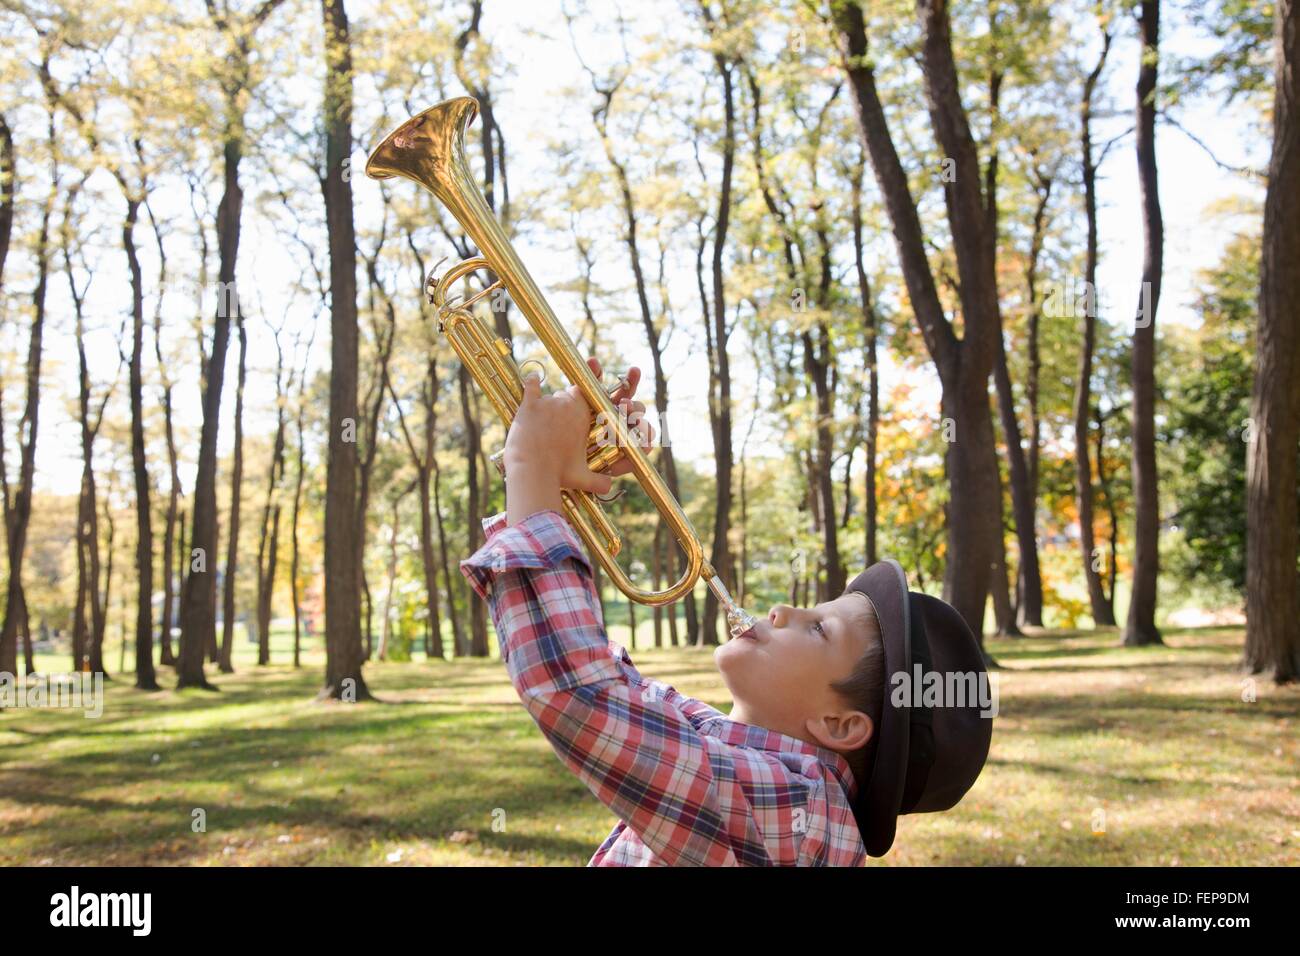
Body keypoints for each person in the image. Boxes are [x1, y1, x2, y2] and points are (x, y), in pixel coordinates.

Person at [460, 357, 994, 865]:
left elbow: (580, 695)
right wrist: (555, 481)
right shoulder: (738, 752)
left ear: (838, 724)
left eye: (818, 629)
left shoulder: (802, 812)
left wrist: (532, 466)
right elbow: (615, 686)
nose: (783, 609)